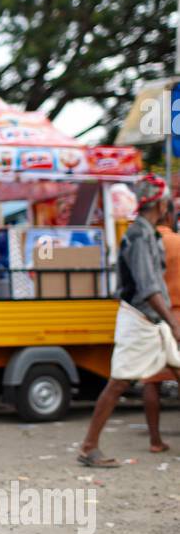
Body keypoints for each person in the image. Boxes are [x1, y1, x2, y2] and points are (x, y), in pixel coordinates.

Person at [78, 174, 180, 467]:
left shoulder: (147, 232)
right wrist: (173, 324)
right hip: (140, 320)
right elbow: (148, 287)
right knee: (119, 383)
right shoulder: (138, 235)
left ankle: (97, 444)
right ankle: (88, 446)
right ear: (161, 204)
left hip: (152, 320)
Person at [141, 197, 180, 452]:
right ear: (169, 216)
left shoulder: (144, 243)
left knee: (151, 380)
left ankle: (155, 441)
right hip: (176, 315)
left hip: (150, 317)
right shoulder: (177, 242)